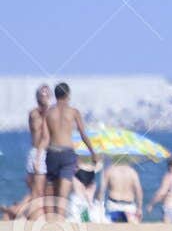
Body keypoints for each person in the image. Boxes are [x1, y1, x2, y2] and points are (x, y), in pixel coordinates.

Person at [43, 83, 92, 220]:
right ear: (68, 95)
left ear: (56, 94)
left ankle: (49, 221)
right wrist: (92, 152)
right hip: (67, 153)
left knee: (51, 192)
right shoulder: (73, 112)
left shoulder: (48, 113)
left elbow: (45, 137)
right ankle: (59, 221)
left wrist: (39, 156)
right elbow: (83, 134)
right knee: (63, 195)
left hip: (52, 152)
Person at [24, 84, 49, 199]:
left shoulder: (50, 113)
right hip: (36, 150)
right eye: (42, 93)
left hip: (45, 152)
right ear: (37, 96)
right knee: (33, 186)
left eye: (46, 93)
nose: (44, 96)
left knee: (41, 189)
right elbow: (37, 133)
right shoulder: (33, 114)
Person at [100, 157, 143, 223]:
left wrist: (99, 204)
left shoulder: (110, 171)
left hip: (113, 204)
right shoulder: (132, 172)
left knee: (112, 229)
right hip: (129, 206)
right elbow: (139, 191)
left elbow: (102, 190)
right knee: (131, 229)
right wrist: (139, 208)